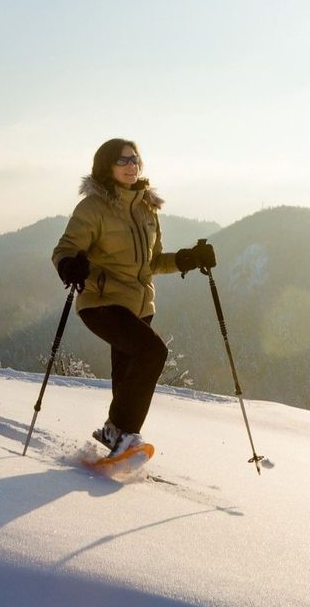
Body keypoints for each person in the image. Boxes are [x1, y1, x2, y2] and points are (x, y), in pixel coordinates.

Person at [52, 138, 215, 458]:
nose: (131, 166)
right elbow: (63, 250)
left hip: (139, 305)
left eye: (135, 159)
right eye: (122, 160)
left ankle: (118, 438)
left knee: (127, 379)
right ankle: (121, 432)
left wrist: (189, 259)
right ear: (106, 167)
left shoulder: (147, 209)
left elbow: (153, 262)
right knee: (153, 351)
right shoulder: (94, 207)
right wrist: (69, 266)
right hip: (101, 302)